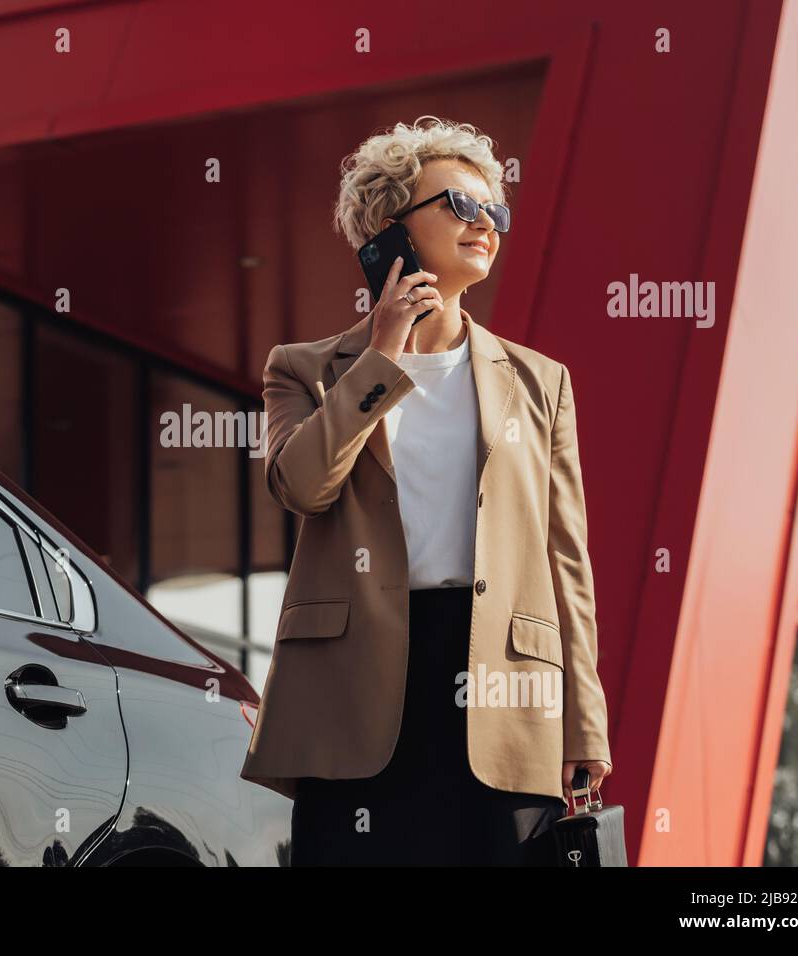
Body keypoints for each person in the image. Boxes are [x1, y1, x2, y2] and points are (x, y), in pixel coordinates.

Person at [239, 115, 613, 865]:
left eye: (494, 212)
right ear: (389, 230)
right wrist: (382, 354)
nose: (486, 226)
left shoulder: (540, 383)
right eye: (460, 207)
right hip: (355, 687)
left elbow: (565, 561)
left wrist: (585, 722)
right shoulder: (304, 368)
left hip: (504, 690)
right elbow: (302, 486)